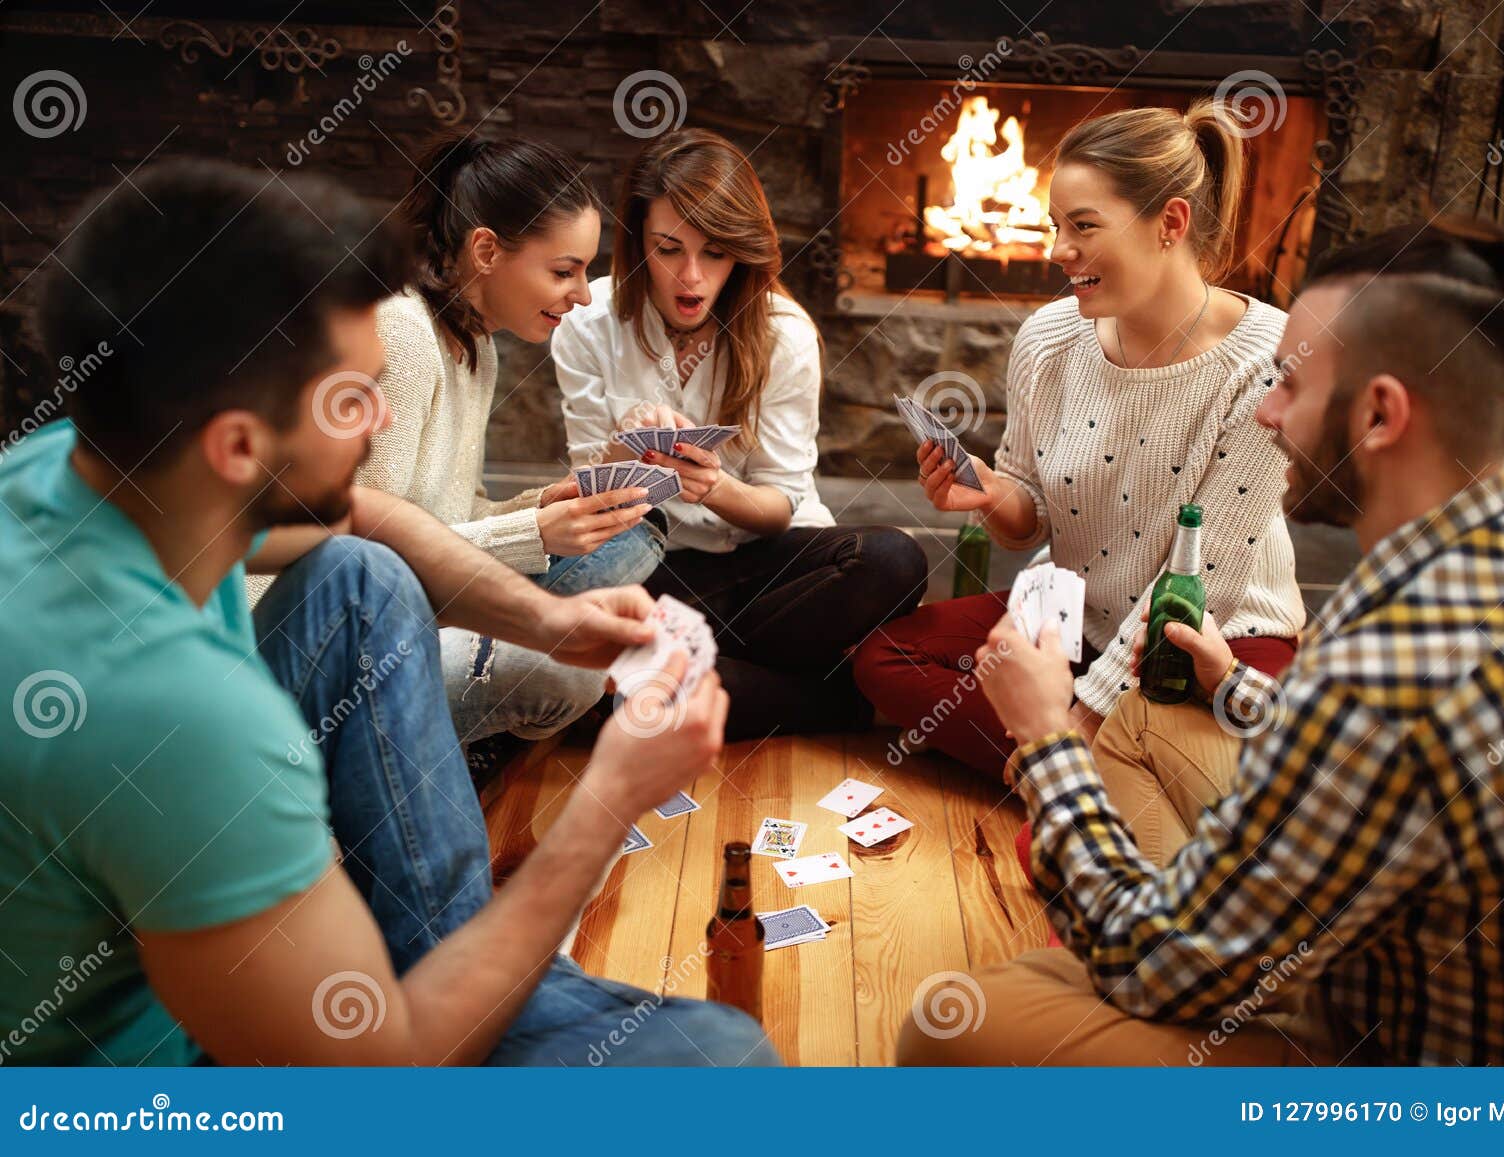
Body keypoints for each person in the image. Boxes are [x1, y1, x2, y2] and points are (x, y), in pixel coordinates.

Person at [0, 159, 777, 1067]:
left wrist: (549, 622)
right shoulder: (180, 716)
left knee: (358, 573)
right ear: (240, 445)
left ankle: (464, 959)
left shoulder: (72, 462)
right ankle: (482, 979)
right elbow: (381, 1067)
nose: (381, 418)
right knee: (726, 1058)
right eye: (351, 398)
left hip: (207, 941)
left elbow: (372, 513)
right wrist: (606, 800)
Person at [900, 214, 1504, 1066]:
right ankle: (1186, 916)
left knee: (956, 1016)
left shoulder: (1380, 677)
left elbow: (1147, 965)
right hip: (1379, 939)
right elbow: (1386, 767)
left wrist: (1044, 732)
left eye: (1291, 385)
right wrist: (1235, 680)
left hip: (1388, 1061)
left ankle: (1177, 934)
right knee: (1147, 719)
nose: (1267, 412)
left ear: (1380, 414)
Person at [852, 102, 1305, 852]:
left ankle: (1076, 769)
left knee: (1112, 790)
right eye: (1055, 223)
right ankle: (1093, 776)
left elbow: (1194, 586)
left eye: (1084, 225)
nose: (1059, 249)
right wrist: (992, 493)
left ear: (1171, 222)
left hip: (1210, 637)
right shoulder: (1051, 336)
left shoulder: (1265, 364)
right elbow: (1028, 514)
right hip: (1078, 615)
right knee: (885, 657)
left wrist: (1073, 719)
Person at [552, 128, 928, 740]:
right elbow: (586, 504)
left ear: (743, 252)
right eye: (668, 249)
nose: (692, 278)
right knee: (558, 651)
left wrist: (713, 487)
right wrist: (624, 448)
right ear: (636, 241)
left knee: (893, 559)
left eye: (716, 253)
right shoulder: (588, 322)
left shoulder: (785, 333)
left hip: (763, 566)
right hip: (656, 570)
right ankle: (817, 701)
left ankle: (674, 676)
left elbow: (779, 508)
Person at [294, 132, 664, 749]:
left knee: (634, 540)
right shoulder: (404, 335)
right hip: (327, 645)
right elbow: (357, 557)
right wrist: (534, 537)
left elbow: (453, 515)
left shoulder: (476, 346)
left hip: (410, 613)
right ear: (487, 250)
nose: (580, 294)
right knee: (569, 676)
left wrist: (541, 507)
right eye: (563, 270)